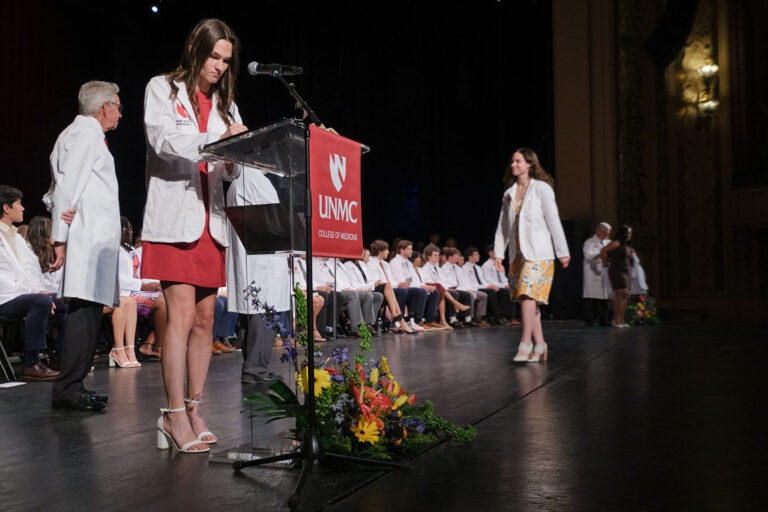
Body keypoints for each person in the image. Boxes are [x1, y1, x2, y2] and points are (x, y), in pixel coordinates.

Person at [141, 19, 247, 453]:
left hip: (212, 222)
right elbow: (163, 141)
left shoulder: (228, 105)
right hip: (175, 219)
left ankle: (196, 407)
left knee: (205, 320)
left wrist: (238, 154)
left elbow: (228, 167)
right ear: (193, 47)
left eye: (226, 60)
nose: (219, 66)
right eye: (213, 56)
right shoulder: (160, 88)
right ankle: (172, 414)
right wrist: (219, 140)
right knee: (181, 318)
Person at [45, 80, 122, 410]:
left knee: (88, 312)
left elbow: (55, 190)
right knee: (84, 313)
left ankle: (72, 385)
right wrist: (59, 238)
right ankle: (68, 387)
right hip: (87, 239)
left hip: (92, 239)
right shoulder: (87, 134)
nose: (120, 113)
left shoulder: (79, 134)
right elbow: (65, 188)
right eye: (118, 106)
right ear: (104, 107)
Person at [494, 147, 570, 363]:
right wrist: (499, 253)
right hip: (517, 255)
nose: (513, 165)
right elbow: (503, 227)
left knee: (527, 296)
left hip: (539, 253)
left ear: (529, 164)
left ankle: (525, 343)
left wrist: (562, 251)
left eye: (517, 161)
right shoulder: (509, 193)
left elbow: (553, 220)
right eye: (512, 161)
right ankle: (541, 345)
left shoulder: (542, 189)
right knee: (528, 301)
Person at [0, 186, 59, 382]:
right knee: (41, 302)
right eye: (19, 204)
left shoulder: (16, 237)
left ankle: (60, 357)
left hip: (21, 294)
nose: (23, 208)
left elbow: (30, 274)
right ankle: (31, 363)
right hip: (4, 297)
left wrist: (41, 291)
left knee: (65, 301)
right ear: (6, 208)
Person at [600, 225, 635, 328]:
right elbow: (603, 251)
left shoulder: (627, 247)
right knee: (620, 293)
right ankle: (616, 319)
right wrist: (605, 262)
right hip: (617, 271)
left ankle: (621, 319)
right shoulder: (616, 243)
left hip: (626, 271)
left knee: (625, 294)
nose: (629, 235)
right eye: (628, 233)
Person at [582, 222, 613, 326]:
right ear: (598, 231)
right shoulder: (589, 242)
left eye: (608, 233)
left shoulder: (609, 242)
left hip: (605, 273)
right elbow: (588, 256)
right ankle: (590, 320)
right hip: (592, 273)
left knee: (604, 298)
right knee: (592, 298)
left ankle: (604, 320)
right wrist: (602, 252)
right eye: (605, 232)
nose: (607, 235)